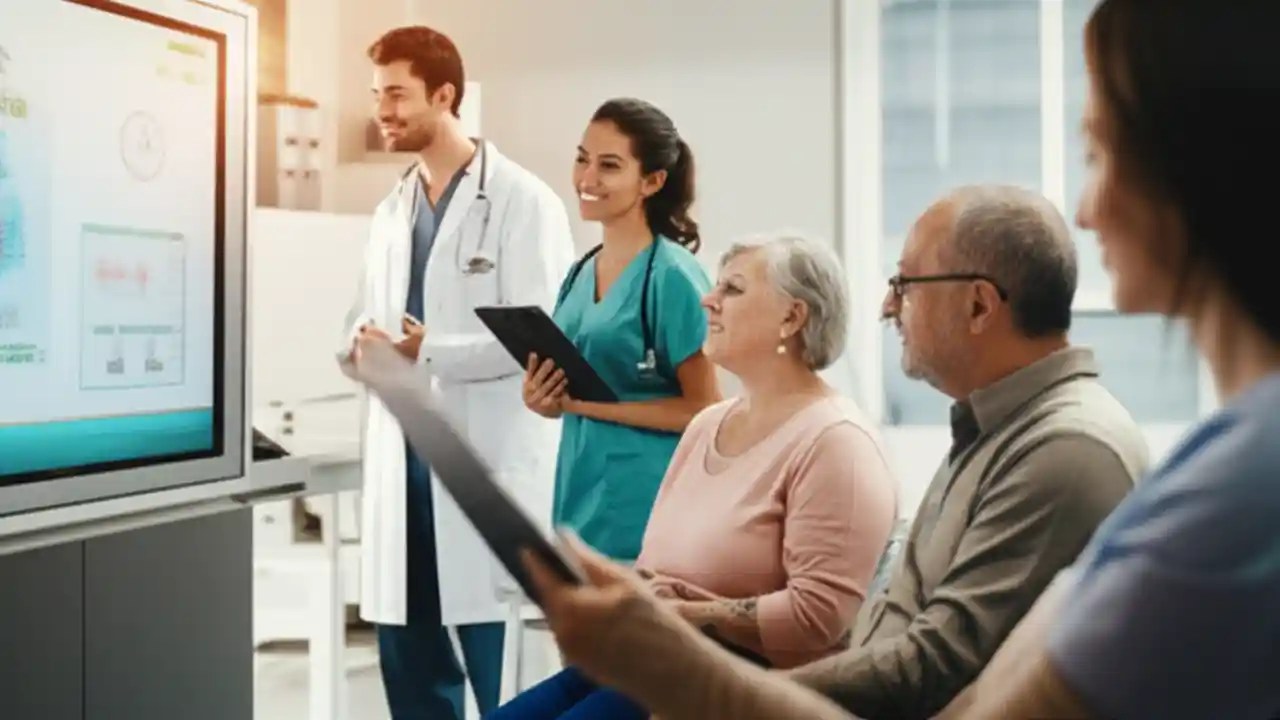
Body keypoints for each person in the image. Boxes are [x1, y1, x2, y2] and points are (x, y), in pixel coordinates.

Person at [933, 1, 1280, 717]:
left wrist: (691, 665)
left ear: (1189, 165)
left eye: (1096, 154)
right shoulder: (1235, 452)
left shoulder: (1244, 484)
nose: (1085, 212)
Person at [491, 235, 898, 719]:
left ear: (792, 318)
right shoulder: (708, 425)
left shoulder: (837, 443)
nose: (708, 300)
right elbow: (657, 568)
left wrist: (679, 616)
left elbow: (817, 619)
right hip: (658, 655)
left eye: (733, 289)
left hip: (740, 683)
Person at [339, 25, 575, 720]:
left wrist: (429, 351)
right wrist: (360, 348)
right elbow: (360, 318)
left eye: (397, 94)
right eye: (377, 94)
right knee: (411, 663)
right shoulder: (392, 211)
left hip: (484, 464)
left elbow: (540, 337)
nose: (382, 110)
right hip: (404, 469)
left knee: (501, 679)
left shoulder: (522, 201)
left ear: (445, 96)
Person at [522, 97, 721, 563]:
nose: (586, 178)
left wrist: (585, 405)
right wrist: (543, 399)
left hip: (647, 510)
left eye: (609, 166)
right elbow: (570, 394)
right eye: (582, 159)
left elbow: (706, 409)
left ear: (652, 181)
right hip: (580, 501)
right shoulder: (579, 273)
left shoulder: (672, 276)